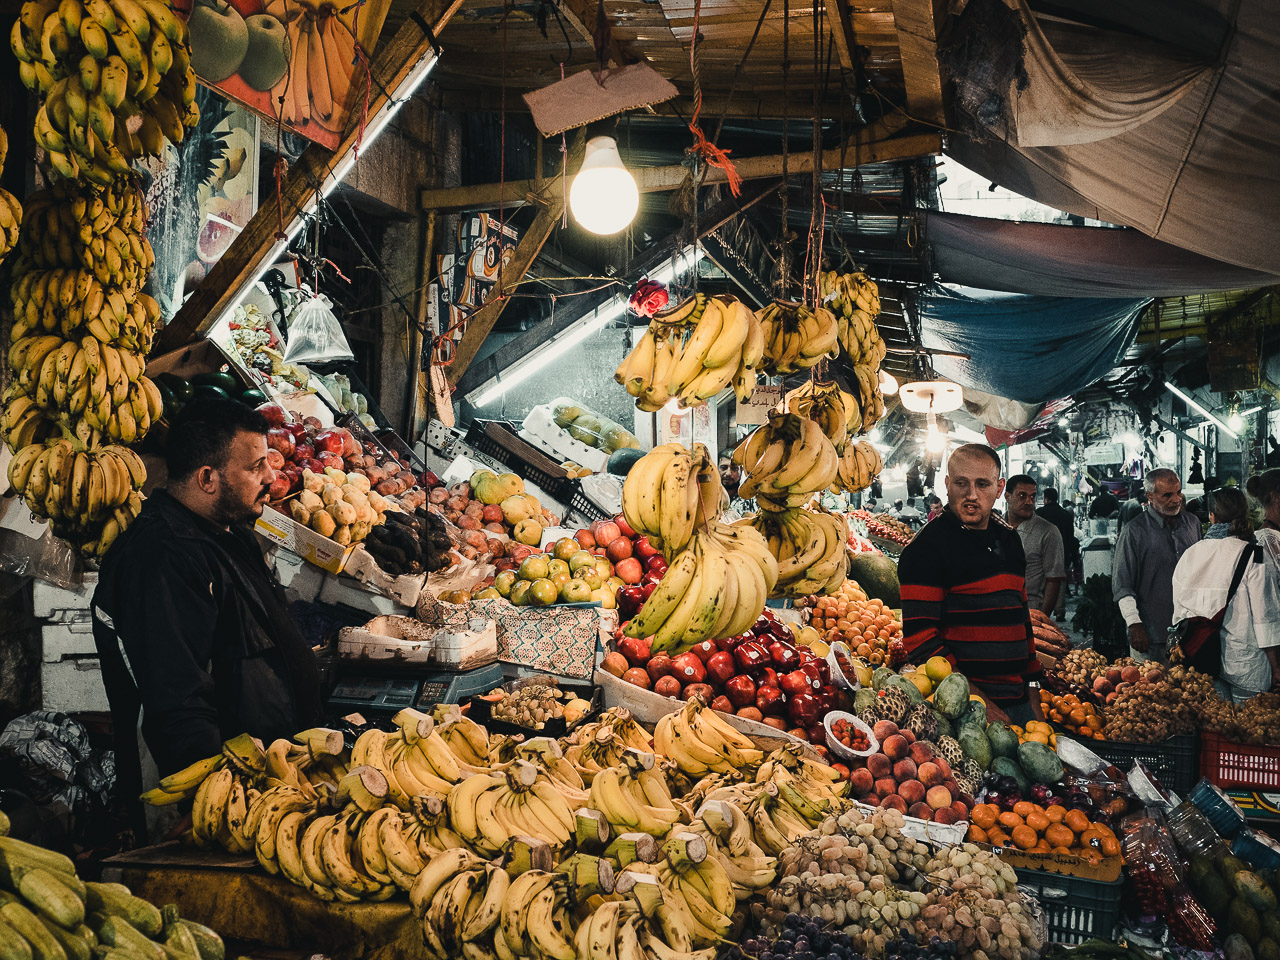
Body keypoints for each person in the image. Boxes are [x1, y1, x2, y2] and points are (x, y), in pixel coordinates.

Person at [93, 399, 323, 831]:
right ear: (207, 478)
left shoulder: (228, 533)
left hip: (262, 785)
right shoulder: (160, 558)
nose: (273, 477)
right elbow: (176, 696)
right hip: (214, 801)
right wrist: (209, 804)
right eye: (256, 467)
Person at [898, 444, 1042, 724]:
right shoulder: (926, 549)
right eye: (962, 483)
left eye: (983, 484)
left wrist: (1033, 698)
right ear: (948, 484)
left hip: (1020, 703)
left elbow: (1021, 619)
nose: (972, 495)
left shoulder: (1009, 540)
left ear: (999, 488)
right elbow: (921, 642)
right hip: (964, 712)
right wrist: (983, 706)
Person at [1172, 487, 1280, 700]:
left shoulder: (1190, 554)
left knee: (1215, 728)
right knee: (1250, 727)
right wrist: (1276, 666)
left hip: (1200, 659)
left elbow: (1179, 614)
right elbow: (1264, 617)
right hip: (1246, 663)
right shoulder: (1254, 555)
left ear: (1211, 517)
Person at [1112, 468, 1202, 662]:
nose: (1176, 499)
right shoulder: (1134, 532)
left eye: (1178, 492)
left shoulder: (1193, 524)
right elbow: (1122, 584)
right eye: (1167, 495)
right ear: (1150, 496)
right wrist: (1134, 624)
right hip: (1151, 633)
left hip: (1191, 633)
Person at [1006, 475, 1066, 616]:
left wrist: (1042, 617)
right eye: (1022, 496)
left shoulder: (1048, 531)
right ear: (1007, 496)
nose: (1028, 501)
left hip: (1030, 608)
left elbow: (1054, 579)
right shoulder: (996, 527)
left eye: (1032, 497)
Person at [1038, 487, 1079, 607]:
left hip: (1042, 552)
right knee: (1060, 581)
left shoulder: (1040, 513)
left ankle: (1043, 608)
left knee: (1042, 581)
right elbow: (1071, 536)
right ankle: (1059, 609)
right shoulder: (1065, 514)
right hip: (1063, 551)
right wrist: (1072, 555)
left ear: (1046, 499)